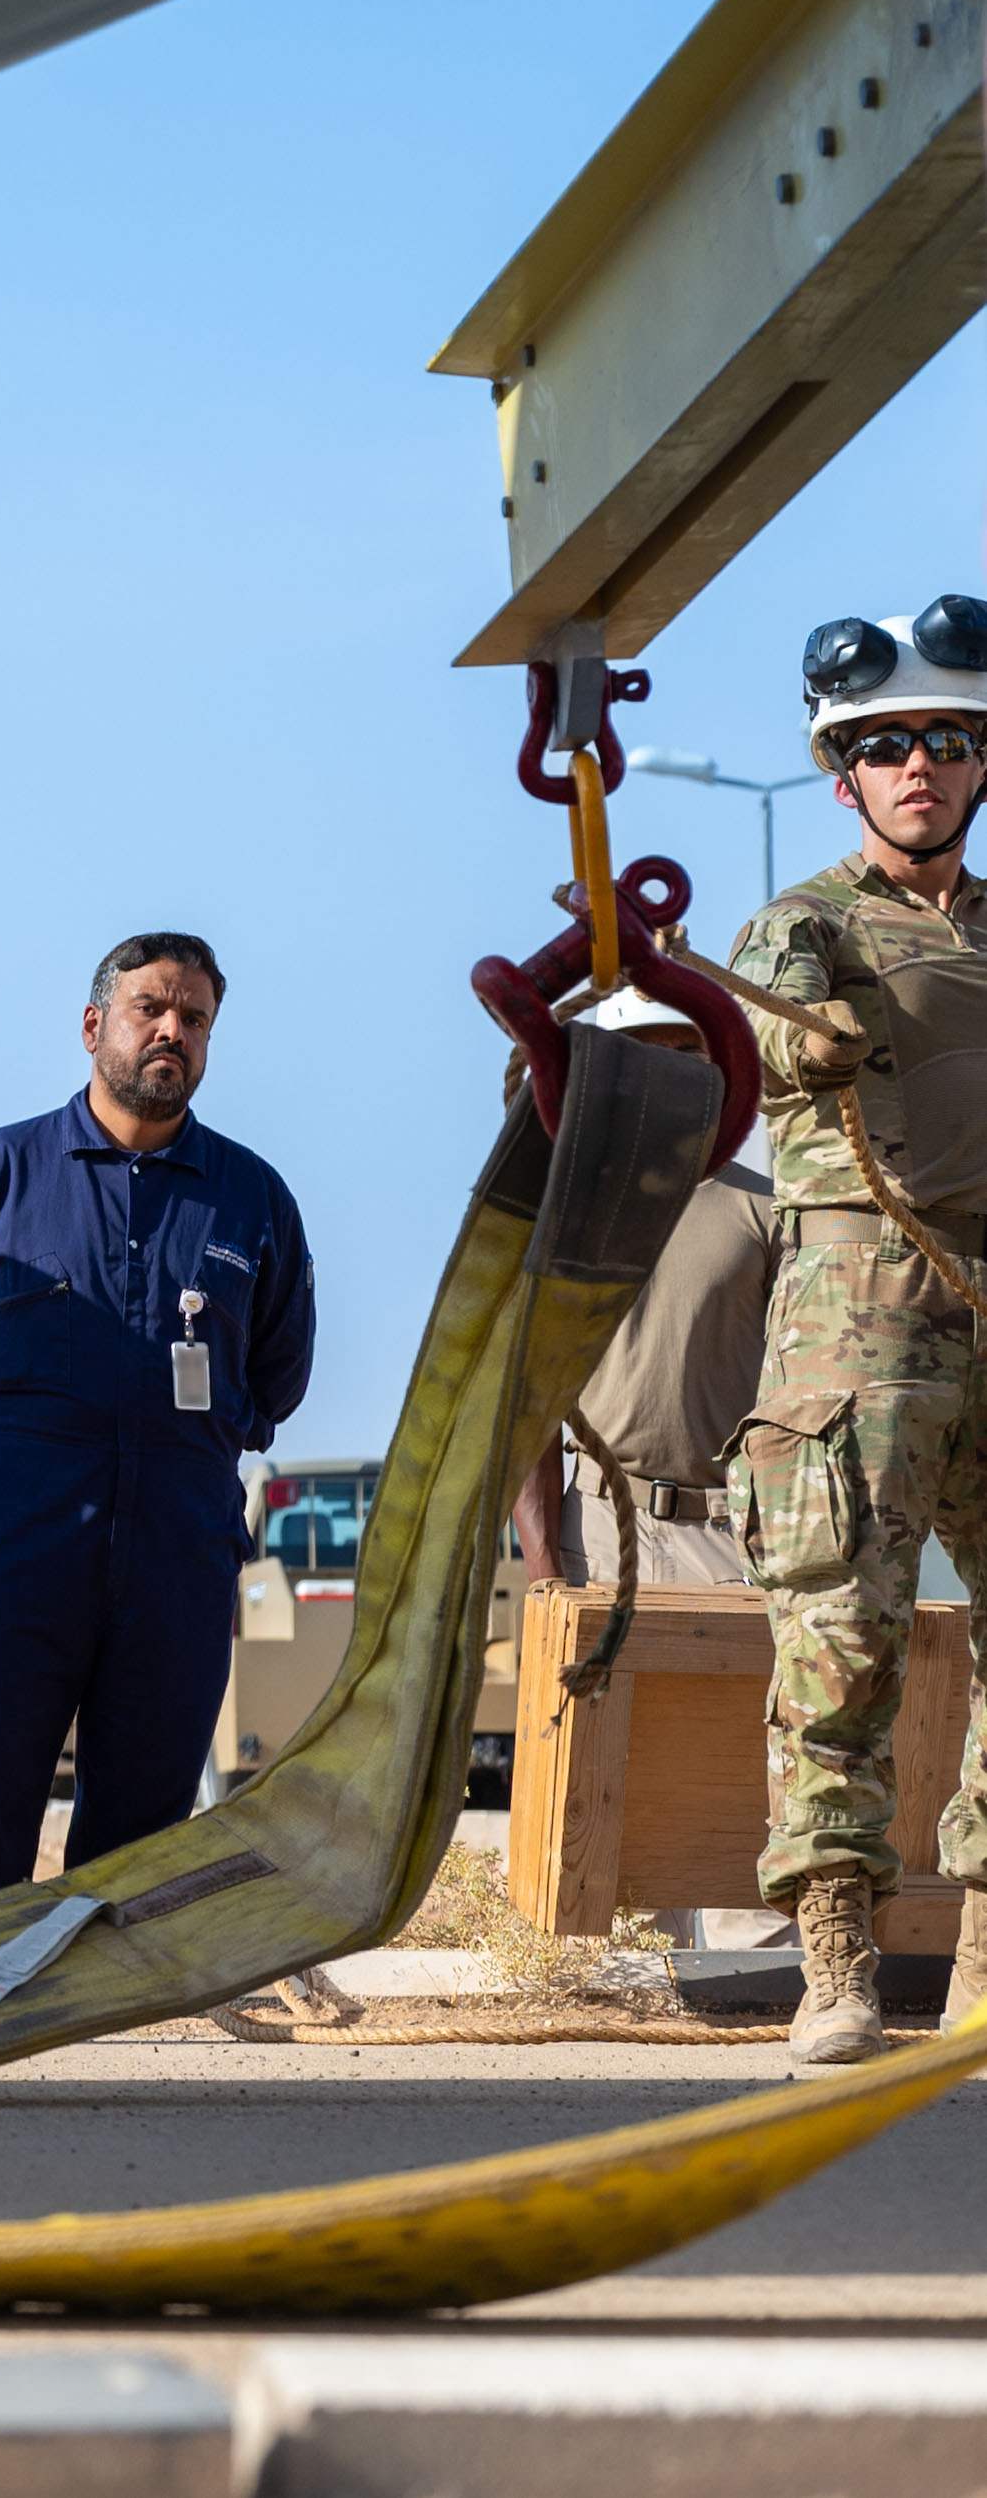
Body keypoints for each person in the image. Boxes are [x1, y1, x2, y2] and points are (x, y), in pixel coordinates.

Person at [0, 931, 315, 1924]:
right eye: (150, 1008)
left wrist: (215, 1438)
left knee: (146, 1812)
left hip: (179, 1538)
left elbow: (283, 1363)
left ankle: (117, 2039)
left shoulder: (250, 1198)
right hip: (18, 1527)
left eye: (194, 1017)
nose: (172, 1030)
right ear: (94, 1027)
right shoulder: (5, 1171)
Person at [721, 599, 987, 2062]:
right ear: (841, 775)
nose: (918, 768)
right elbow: (753, 1018)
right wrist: (795, 1030)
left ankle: (979, 1966)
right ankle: (834, 1960)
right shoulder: (805, 922)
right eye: (884, 747)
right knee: (840, 1632)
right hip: (862, 1299)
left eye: (945, 742)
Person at [512, 991, 773, 1594]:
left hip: (733, 1546)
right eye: (644, 1056)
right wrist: (546, 1574)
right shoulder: (561, 1215)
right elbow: (528, 1417)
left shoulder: (771, 1213)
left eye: (687, 1052)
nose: (669, 1073)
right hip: (598, 1541)